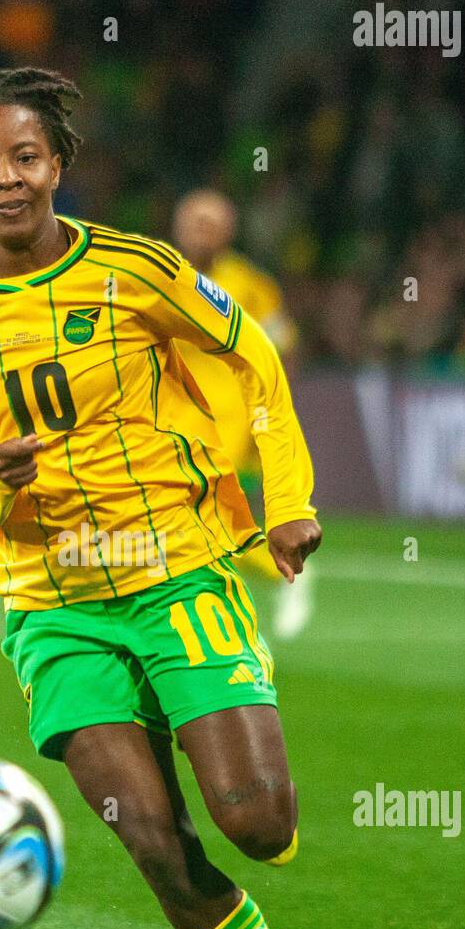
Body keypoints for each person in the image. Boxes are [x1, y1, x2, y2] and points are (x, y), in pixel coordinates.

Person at [0, 67, 372, 929]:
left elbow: (252, 354)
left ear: (57, 165)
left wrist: (287, 497)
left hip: (175, 575)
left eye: (24, 157)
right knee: (155, 845)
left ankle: (203, 731)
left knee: (255, 824)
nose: (7, 178)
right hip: (54, 606)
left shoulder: (136, 267)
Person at [171, 189, 313, 639]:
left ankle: (276, 575)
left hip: (234, 414)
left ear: (228, 233)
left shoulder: (251, 286)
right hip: (179, 415)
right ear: (178, 228)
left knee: (204, 509)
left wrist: (271, 411)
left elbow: (283, 347)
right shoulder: (161, 277)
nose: (203, 234)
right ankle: (280, 569)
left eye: (211, 225)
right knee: (199, 520)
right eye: (196, 223)